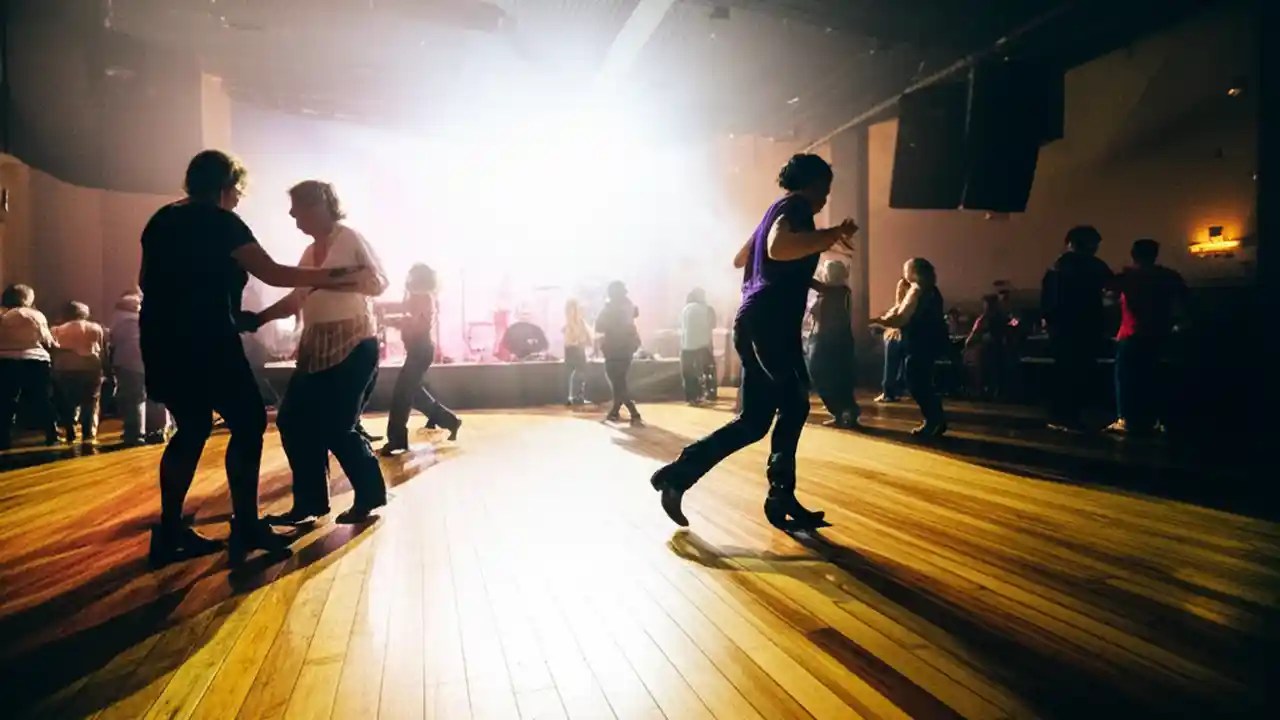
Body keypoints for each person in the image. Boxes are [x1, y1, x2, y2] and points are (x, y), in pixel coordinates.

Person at [140, 150, 365, 565]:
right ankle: (245, 524)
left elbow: (146, 281)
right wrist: (334, 275)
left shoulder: (161, 219)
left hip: (162, 339)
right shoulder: (222, 222)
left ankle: (169, 532)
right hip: (208, 338)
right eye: (238, 191)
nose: (238, 199)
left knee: (190, 427)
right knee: (248, 422)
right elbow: (274, 273)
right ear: (227, 187)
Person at [651, 153, 858, 532]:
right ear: (811, 184)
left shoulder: (773, 213)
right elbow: (778, 249)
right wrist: (831, 235)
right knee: (794, 403)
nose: (825, 198)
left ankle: (678, 476)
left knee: (755, 421)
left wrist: (811, 282)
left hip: (755, 321)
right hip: (771, 323)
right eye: (824, 189)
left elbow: (743, 257)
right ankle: (780, 496)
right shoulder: (796, 208)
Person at [255, 180, 390, 526]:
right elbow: (297, 297)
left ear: (319, 206)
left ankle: (369, 496)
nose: (292, 216)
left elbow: (377, 282)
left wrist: (326, 279)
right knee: (292, 420)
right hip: (316, 347)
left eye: (297, 209)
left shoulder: (349, 238)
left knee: (338, 425)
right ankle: (310, 502)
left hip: (353, 343)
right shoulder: (308, 253)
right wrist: (258, 319)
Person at [1105, 239, 1188, 435]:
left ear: (1133, 255)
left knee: (1127, 379)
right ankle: (1159, 419)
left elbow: (1108, 296)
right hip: (1160, 332)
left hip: (1131, 333)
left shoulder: (1128, 277)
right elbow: (1184, 301)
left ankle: (1126, 419)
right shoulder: (1169, 276)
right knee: (1156, 378)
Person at [381, 263, 460, 455]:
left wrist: (394, 322)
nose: (408, 280)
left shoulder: (423, 297)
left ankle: (397, 440)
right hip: (419, 350)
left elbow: (417, 326)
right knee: (414, 394)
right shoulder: (417, 297)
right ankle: (450, 421)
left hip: (420, 350)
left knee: (402, 395)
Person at [1040, 225, 1113, 431]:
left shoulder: (1057, 266)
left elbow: (1048, 300)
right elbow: (1111, 289)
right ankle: (1076, 414)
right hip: (1086, 327)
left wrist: (1049, 323)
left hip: (1062, 328)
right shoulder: (1095, 265)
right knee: (1081, 371)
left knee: (1064, 371)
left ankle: (1062, 415)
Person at [873, 258, 949, 436]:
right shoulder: (932, 290)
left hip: (917, 342)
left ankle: (933, 420)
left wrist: (878, 321)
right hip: (928, 342)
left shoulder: (916, 290)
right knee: (923, 382)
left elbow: (901, 318)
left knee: (917, 382)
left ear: (914, 272)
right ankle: (936, 420)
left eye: (906, 269)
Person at [0, 284, 58, 449]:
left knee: (6, 400)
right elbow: (47, 340)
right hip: (35, 360)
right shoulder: (35, 315)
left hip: (5, 360)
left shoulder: (2, 315)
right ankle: (51, 433)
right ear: (27, 298)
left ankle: (4, 437)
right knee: (42, 398)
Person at [110, 291, 169, 446]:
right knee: (157, 397)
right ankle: (158, 431)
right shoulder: (153, 318)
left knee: (134, 399)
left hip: (128, 363)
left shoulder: (119, 320)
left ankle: (135, 434)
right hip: (155, 361)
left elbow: (112, 341)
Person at [808, 260, 861, 428]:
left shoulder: (833, 291)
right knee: (838, 376)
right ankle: (845, 411)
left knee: (822, 374)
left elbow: (810, 281)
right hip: (836, 339)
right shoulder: (840, 291)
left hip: (826, 339)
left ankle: (841, 411)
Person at [50, 301, 106, 444]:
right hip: (90, 368)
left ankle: (70, 431)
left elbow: (53, 350)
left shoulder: (56, 330)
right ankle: (88, 433)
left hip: (65, 368)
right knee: (91, 402)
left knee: (67, 402)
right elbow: (102, 350)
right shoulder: (95, 327)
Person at [596, 281, 644, 425]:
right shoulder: (629, 306)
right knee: (620, 381)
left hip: (613, 350)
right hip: (627, 349)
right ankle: (614, 413)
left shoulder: (610, 309)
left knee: (617, 382)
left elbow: (599, 326)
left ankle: (634, 413)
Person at [965, 294, 1010, 400]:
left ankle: (986, 391)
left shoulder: (989, 319)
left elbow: (975, 333)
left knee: (987, 370)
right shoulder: (995, 318)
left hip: (990, 350)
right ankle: (990, 391)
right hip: (991, 349)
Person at [874, 275, 910, 403]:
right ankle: (893, 391)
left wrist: (878, 321)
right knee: (899, 367)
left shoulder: (903, 307)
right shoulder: (905, 306)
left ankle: (888, 392)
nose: (898, 291)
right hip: (900, 337)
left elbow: (892, 320)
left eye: (901, 289)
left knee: (891, 366)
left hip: (896, 338)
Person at [679, 288, 717, 405]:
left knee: (689, 373)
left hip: (686, 345)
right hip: (703, 344)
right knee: (707, 370)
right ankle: (709, 394)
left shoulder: (685, 309)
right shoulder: (708, 309)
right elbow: (713, 325)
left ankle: (691, 397)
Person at [563, 298, 592, 405]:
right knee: (574, 374)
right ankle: (572, 397)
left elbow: (588, 338)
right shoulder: (569, 324)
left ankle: (579, 397)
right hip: (573, 350)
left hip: (578, 350)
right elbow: (569, 341)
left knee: (581, 374)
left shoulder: (581, 322)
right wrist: (578, 341)